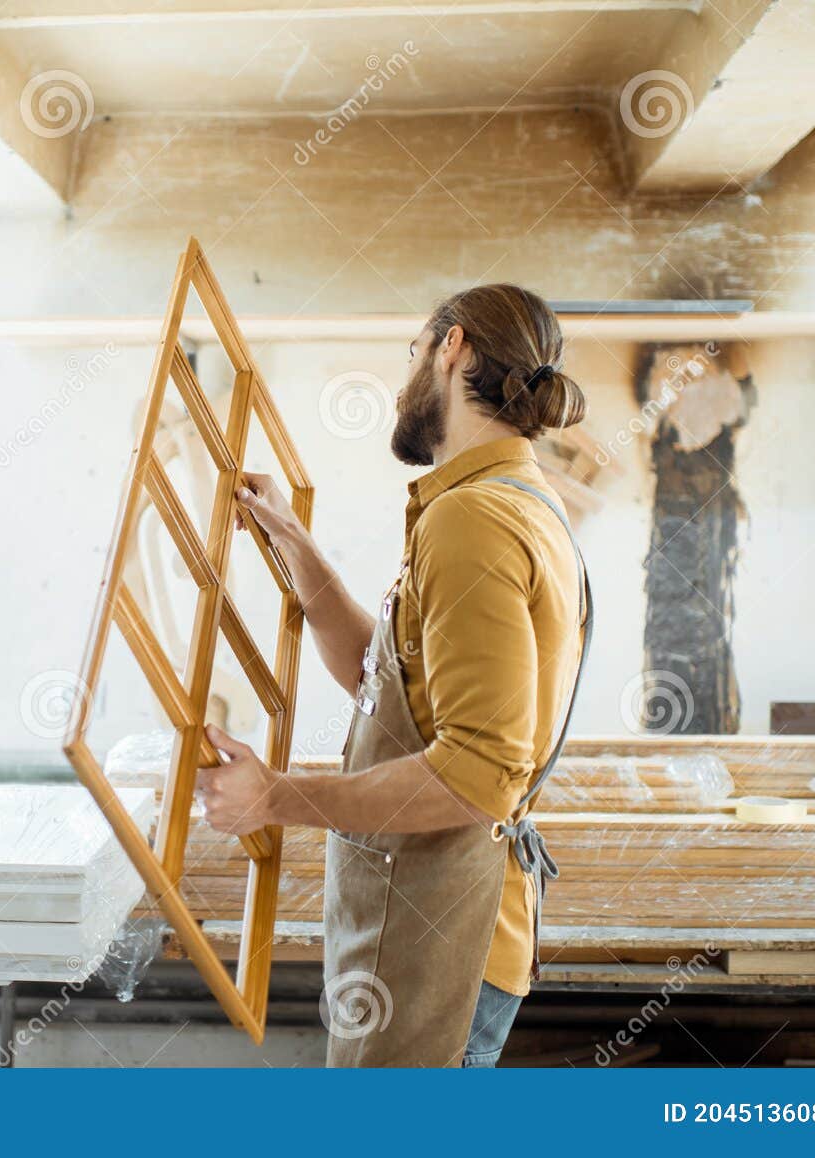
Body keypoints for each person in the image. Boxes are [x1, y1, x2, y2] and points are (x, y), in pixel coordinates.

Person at [196, 283, 593, 1067]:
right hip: (433, 926)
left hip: (442, 937)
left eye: (414, 351)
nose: (409, 371)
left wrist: (275, 796)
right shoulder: (503, 502)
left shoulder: (472, 518)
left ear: (453, 349)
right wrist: (295, 548)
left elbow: (476, 775)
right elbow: (391, 689)